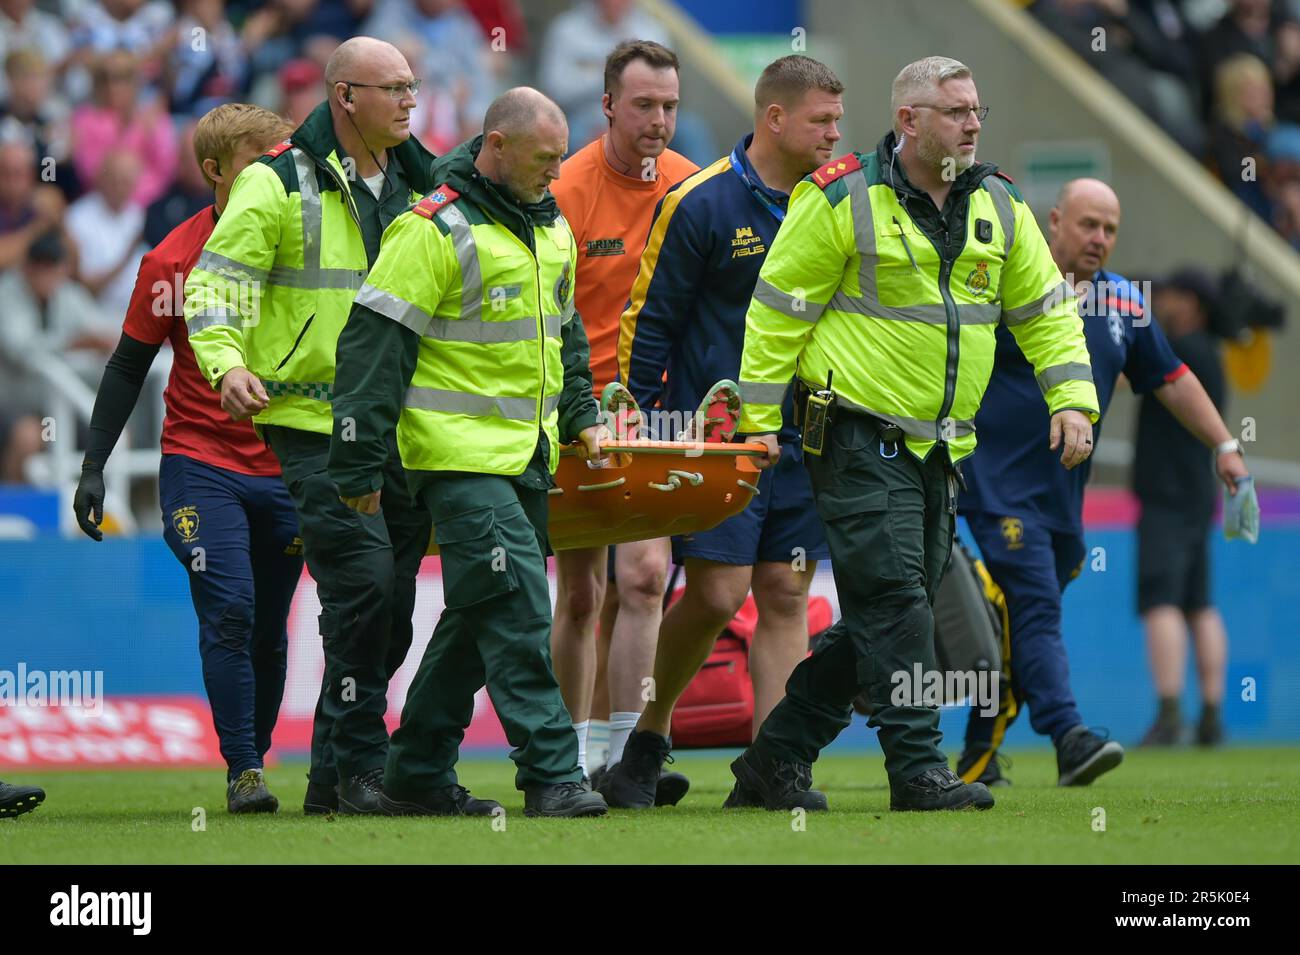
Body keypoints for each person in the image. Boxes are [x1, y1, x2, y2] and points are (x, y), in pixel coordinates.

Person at [729, 55, 1101, 813]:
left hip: (944, 448)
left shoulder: (999, 202)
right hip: (857, 436)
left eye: (977, 110)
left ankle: (775, 760)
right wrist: (758, 424)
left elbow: (1043, 311)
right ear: (909, 121)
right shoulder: (839, 198)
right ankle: (919, 769)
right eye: (956, 110)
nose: (971, 122)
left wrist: (1072, 400)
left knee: (884, 612)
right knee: (899, 599)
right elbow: (776, 313)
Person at [328, 87, 611, 819]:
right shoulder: (433, 228)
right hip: (455, 460)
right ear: (497, 145)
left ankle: (417, 768)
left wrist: (582, 415)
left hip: (525, 458)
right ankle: (553, 772)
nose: (557, 172)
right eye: (546, 158)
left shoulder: (551, 228)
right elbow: (371, 348)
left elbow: (566, 337)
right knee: (516, 606)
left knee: (476, 619)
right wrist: (357, 464)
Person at [185, 37, 439, 816]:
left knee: (391, 604)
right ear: (343, 95)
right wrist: (227, 363)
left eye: (412, 87)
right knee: (363, 584)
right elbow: (215, 285)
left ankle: (333, 771)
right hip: (312, 420)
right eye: (391, 88)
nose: (408, 101)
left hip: (402, 423)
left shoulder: (422, 178)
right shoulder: (273, 181)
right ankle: (362, 767)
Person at [601, 54, 842, 810]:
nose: (836, 135)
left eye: (838, 120)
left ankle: (772, 766)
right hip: (719, 440)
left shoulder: (839, 203)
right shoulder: (700, 202)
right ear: (775, 118)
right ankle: (647, 735)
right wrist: (636, 427)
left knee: (785, 589)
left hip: (807, 436)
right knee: (714, 594)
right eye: (822, 121)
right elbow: (649, 324)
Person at [954, 180, 1249, 786]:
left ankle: (977, 759)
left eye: (1110, 229)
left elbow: (1170, 378)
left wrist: (1224, 444)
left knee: (1017, 622)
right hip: (996, 487)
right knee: (1033, 607)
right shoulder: (1008, 281)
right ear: (1055, 221)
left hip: (1063, 501)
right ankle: (1069, 736)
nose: (1099, 239)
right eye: (1088, 224)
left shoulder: (1122, 304)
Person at [73, 103, 301, 814]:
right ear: (215, 172)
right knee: (230, 606)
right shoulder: (170, 259)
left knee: (269, 626)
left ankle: (254, 759)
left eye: (285, 156)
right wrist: (92, 464)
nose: (282, 171)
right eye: (264, 159)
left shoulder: (309, 249)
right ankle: (244, 770)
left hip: (289, 465)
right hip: (199, 463)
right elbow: (126, 366)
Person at [547, 39, 696, 794]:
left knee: (643, 579)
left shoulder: (690, 189)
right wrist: (573, 410)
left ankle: (624, 757)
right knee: (579, 593)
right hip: (578, 415)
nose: (659, 120)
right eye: (643, 105)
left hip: (657, 420)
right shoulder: (568, 190)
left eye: (669, 105)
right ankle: (569, 756)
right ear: (608, 105)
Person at [1134, 268, 1244, 747]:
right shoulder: (1212, 352)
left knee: (1161, 600)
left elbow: (1125, 373)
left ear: (1193, 303)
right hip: (1198, 494)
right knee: (1199, 603)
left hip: (1166, 494)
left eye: (1173, 294)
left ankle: (1169, 714)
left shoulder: (1182, 351)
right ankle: (1211, 718)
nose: (1162, 303)